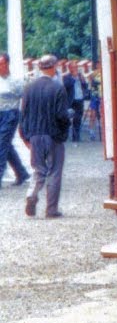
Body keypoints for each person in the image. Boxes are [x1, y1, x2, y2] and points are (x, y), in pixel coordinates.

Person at [19, 54, 71, 218]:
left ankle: (31, 194)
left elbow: (24, 114)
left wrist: (25, 135)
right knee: (55, 171)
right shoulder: (58, 88)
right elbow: (61, 115)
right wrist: (68, 120)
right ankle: (51, 209)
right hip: (53, 135)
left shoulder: (29, 87)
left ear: (39, 67)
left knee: (38, 169)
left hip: (34, 134)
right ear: (54, 67)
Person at [0, 53, 31, 188]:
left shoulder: (16, 81)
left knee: (1, 145)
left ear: (7, 64)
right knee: (6, 146)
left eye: (2, 63)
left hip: (10, 114)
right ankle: (21, 173)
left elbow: (25, 97)